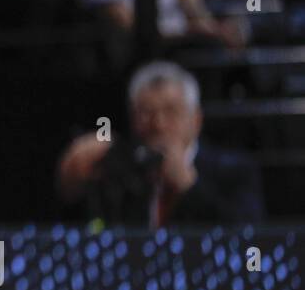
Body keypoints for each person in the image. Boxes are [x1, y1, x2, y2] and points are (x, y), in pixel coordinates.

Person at [56, 60, 265, 228]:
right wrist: (73, 176)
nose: (159, 124)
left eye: (171, 111)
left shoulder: (235, 169)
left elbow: (250, 241)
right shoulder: (119, 169)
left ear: (196, 120)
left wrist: (189, 187)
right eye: (146, 113)